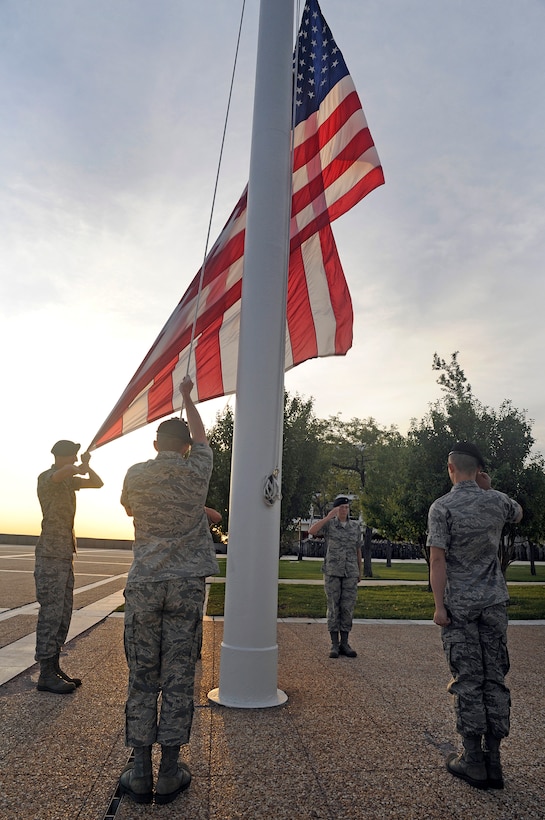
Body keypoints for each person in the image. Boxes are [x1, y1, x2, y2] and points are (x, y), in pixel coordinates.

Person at [118, 375, 219, 806]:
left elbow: (129, 509)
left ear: (155, 443)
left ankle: (139, 773)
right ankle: (170, 772)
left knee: (142, 677)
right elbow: (201, 437)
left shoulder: (136, 474)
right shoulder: (197, 471)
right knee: (178, 678)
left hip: (144, 584)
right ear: (184, 448)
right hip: (185, 587)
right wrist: (187, 398)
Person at [427, 441, 523, 790]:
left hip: (460, 608)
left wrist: (439, 607)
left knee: (467, 680)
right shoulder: (497, 501)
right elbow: (518, 513)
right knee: (494, 678)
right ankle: (495, 761)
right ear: (478, 471)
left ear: (451, 469)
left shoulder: (442, 507)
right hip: (493, 604)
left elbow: (437, 560)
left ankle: (473, 760)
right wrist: (490, 486)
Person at [35, 440, 104, 694]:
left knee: (63, 614)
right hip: (50, 556)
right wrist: (77, 466)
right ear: (63, 456)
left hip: (64, 555)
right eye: (72, 455)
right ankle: (45, 674)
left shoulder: (68, 479)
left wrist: (86, 466)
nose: (75, 458)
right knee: (50, 615)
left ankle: (53, 667)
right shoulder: (48, 477)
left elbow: (97, 483)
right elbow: (61, 473)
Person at [308, 495, 362, 658]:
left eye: (347, 507)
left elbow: (358, 549)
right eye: (342, 507)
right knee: (333, 607)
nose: (345, 510)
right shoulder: (330, 525)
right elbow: (312, 531)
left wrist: (359, 570)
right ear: (336, 509)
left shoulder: (355, 526)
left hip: (350, 571)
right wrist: (328, 517)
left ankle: (345, 643)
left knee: (347, 607)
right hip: (333, 571)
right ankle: (334, 644)